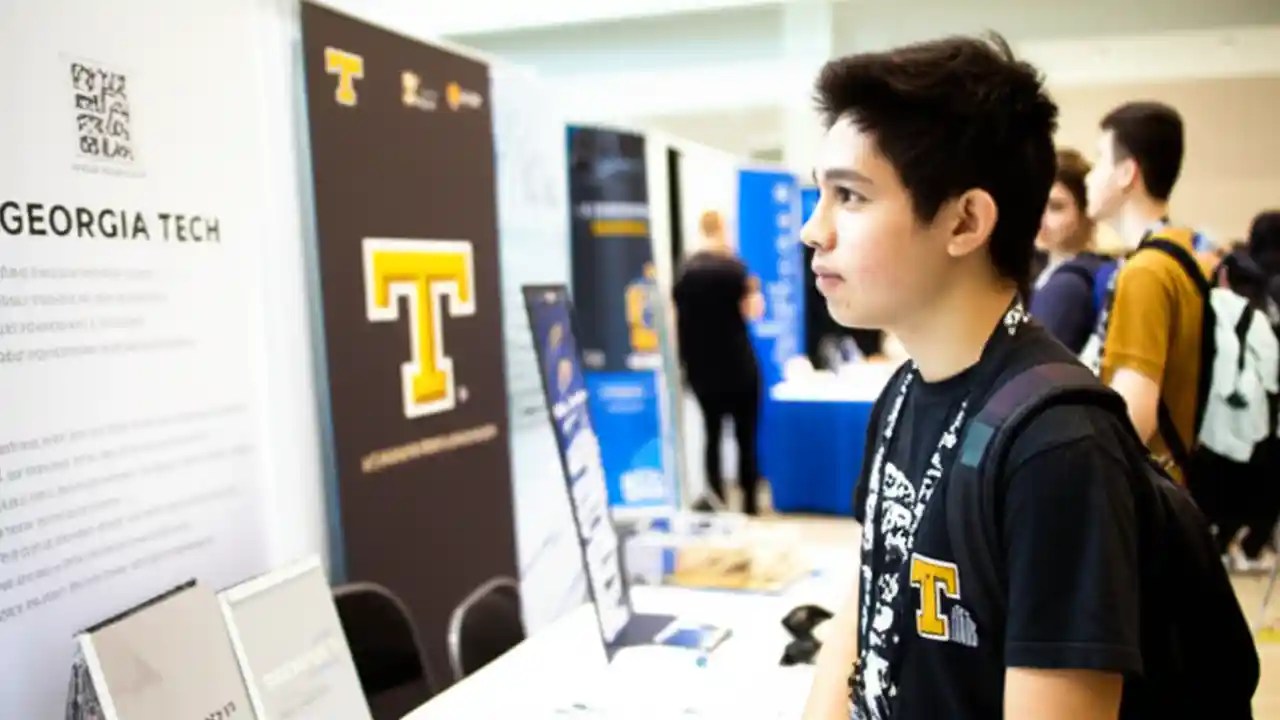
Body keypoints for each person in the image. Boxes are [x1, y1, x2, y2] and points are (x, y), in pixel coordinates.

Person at [800, 34, 1147, 719]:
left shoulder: (1060, 446)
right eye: (821, 195)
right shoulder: (902, 395)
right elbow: (867, 593)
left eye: (851, 196)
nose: (815, 229)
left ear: (965, 221)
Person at [1081, 101, 1208, 483]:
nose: (1090, 176)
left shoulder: (1146, 272)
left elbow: (1134, 412)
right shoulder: (1181, 254)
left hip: (1144, 494)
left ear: (1126, 173)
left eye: (1100, 159)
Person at [672, 211, 765, 514]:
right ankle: (750, 504)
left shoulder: (685, 273)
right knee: (745, 437)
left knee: (711, 436)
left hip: (702, 370)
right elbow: (754, 312)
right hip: (739, 366)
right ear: (723, 229)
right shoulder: (735, 270)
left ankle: (716, 500)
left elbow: (676, 324)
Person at [1028, 148, 1107, 353]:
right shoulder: (1042, 270)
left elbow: (1034, 365)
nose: (1040, 218)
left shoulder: (1069, 284)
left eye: (1055, 207)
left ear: (1086, 213)